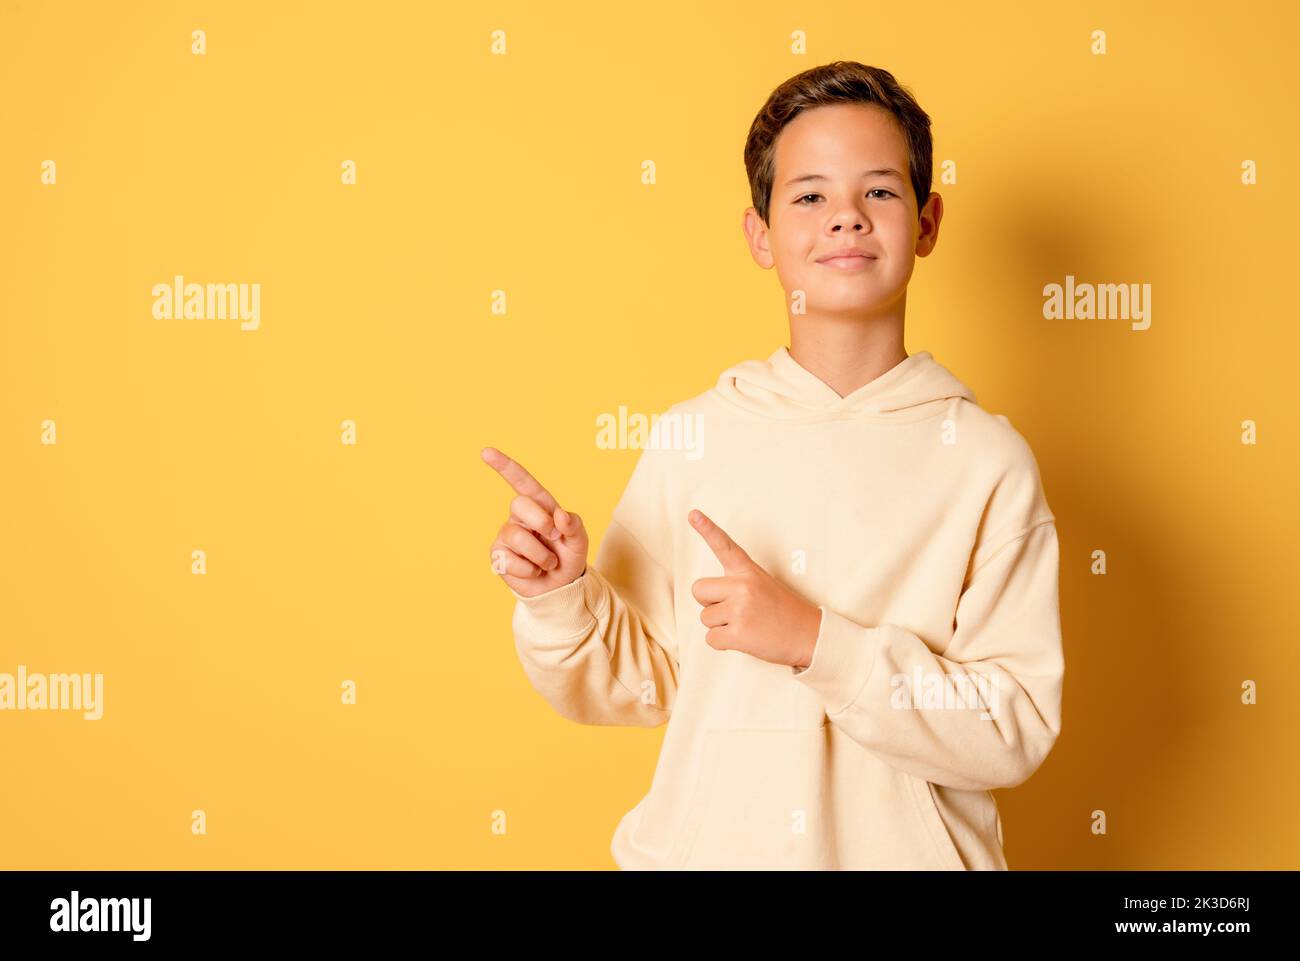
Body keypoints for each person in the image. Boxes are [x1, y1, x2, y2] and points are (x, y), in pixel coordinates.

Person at [482, 61, 1063, 870]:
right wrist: (560, 597)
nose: (847, 219)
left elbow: (1013, 725)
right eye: (810, 195)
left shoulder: (987, 462)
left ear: (927, 223)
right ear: (761, 235)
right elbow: (635, 681)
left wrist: (817, 642)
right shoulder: (694, 437)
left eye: (880, 192)